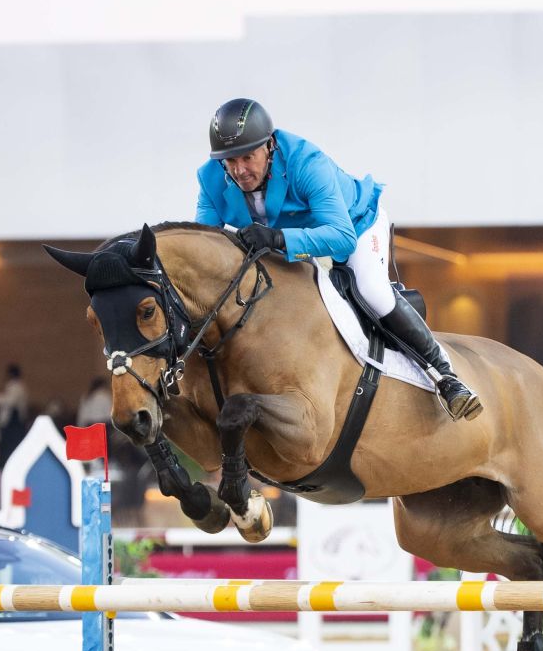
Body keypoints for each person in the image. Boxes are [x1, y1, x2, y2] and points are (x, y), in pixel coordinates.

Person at [196, 98, 480, 421]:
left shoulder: (306, 162)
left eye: (248, 157)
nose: (240, 170)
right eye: (230, 161)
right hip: (294, 244)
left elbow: (341, 236)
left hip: (356, 227)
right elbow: (207, 247)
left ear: (270, 146)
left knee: (372, 291)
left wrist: (277, 239)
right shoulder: (210, 179)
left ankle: (445, 375)